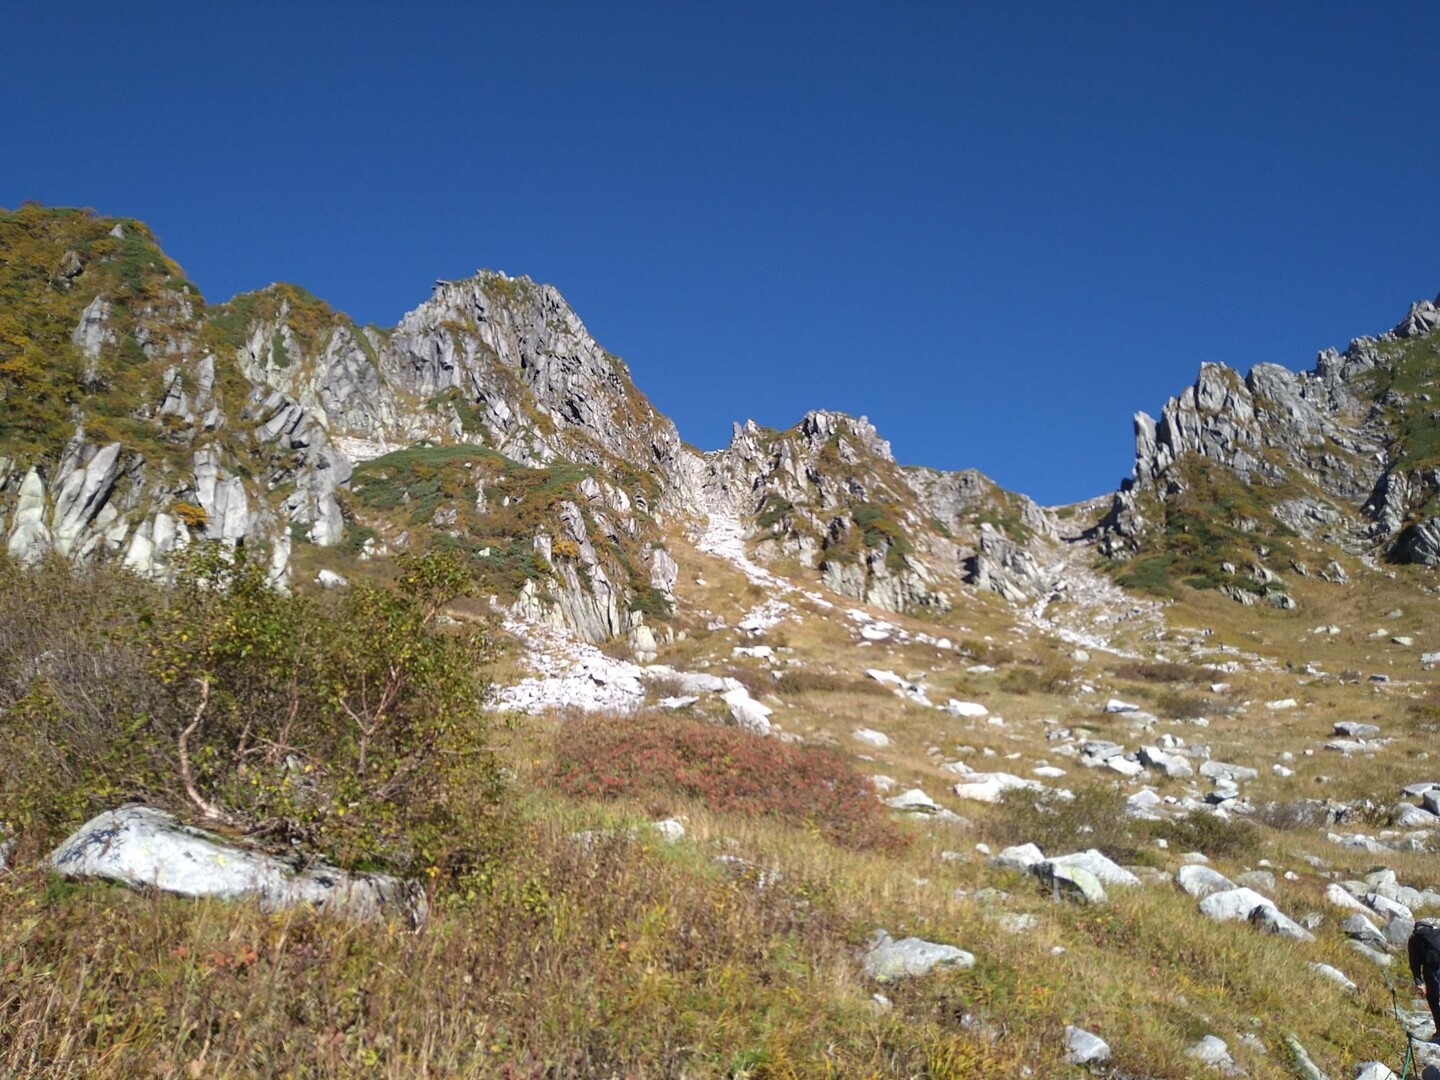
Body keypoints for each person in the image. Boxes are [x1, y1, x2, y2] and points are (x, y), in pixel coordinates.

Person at [1411, 919, 1440, 1039]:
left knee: (1433, 999)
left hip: (1430, 970)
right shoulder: (1437, 933)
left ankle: (1439, 1030)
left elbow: (1414, 962)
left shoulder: (1414, 939)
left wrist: (1419, 981)